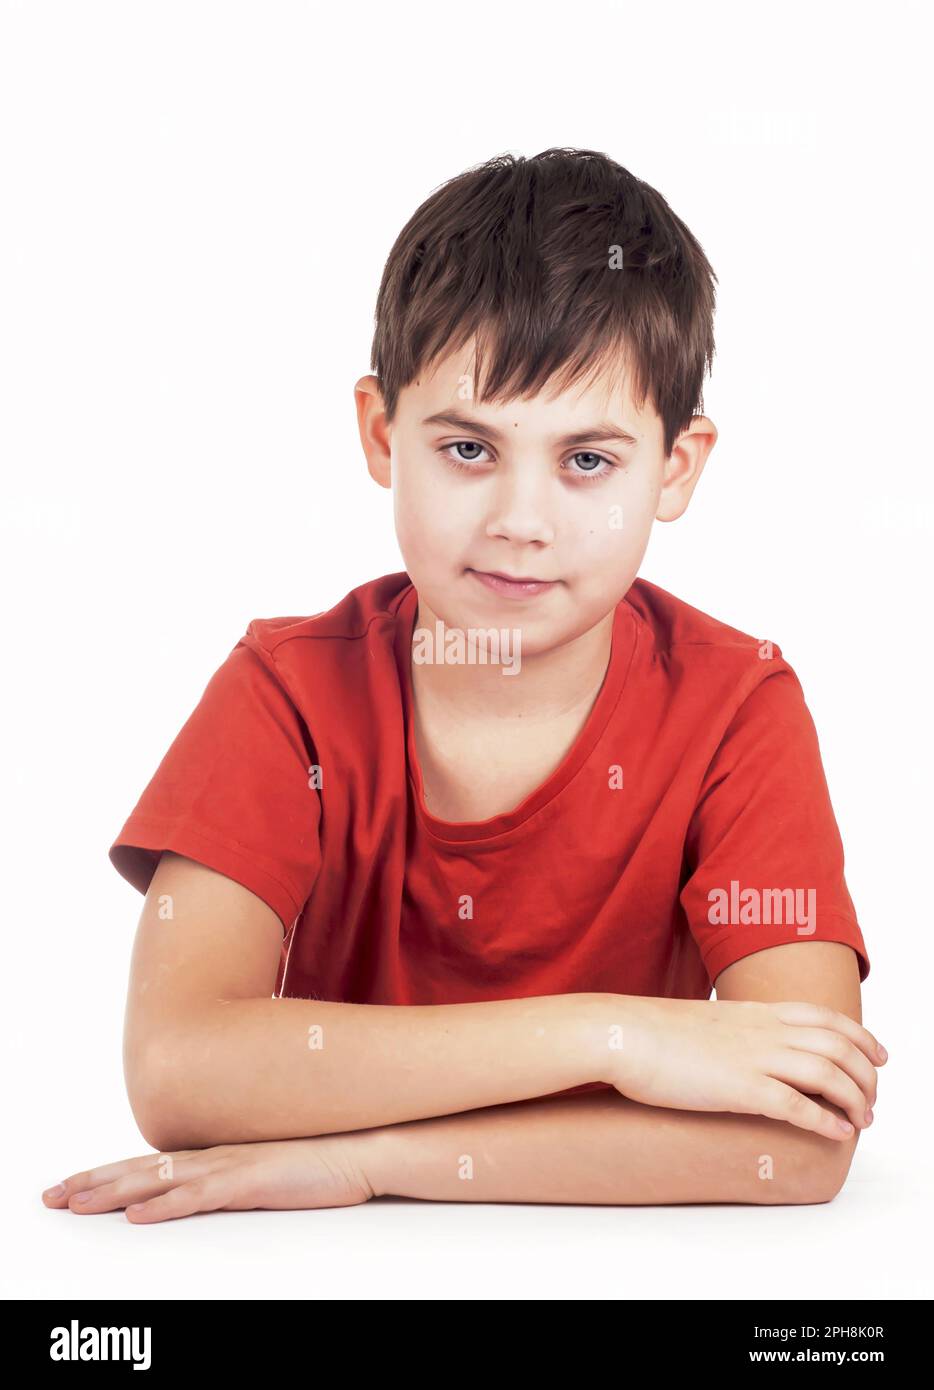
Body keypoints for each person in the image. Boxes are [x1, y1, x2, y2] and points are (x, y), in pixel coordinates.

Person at [43, 148, 885, 1222]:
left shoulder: (737, 707)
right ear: (381, 434)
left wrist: (363, 1159)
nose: (519, 522)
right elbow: (174, 1068)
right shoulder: (284, 692)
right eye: (467, 448)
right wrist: (616, 1035)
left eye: (588, 459)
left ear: (675, 467)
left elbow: (798, 1134)